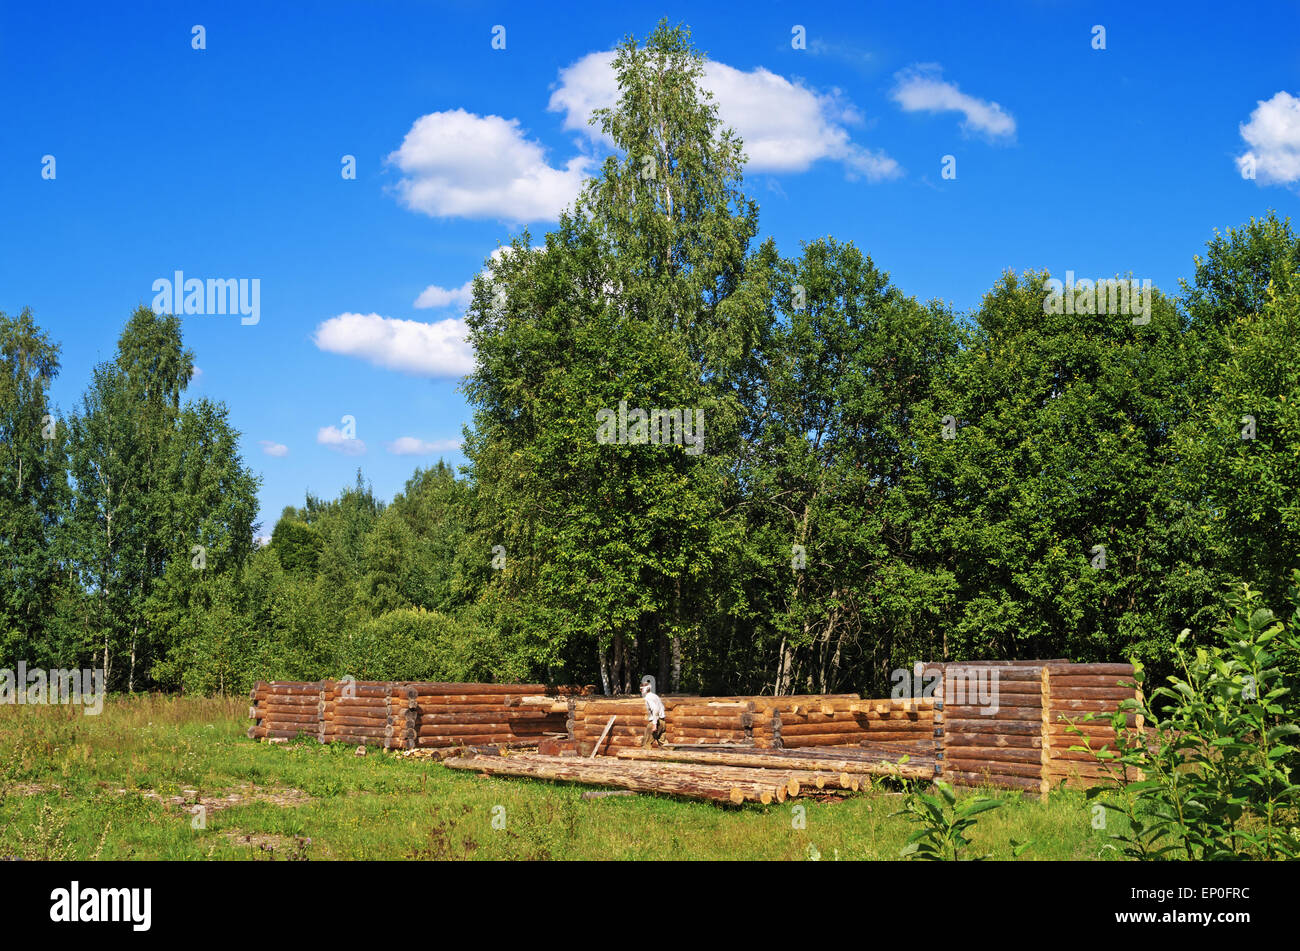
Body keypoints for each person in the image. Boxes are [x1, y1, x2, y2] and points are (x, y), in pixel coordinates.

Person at [640, 674, 666, 747]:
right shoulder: (655, 696)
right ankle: (674, 756)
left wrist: (654, 724)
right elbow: (662, 707)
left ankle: (644, 758)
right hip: (662, 721)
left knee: (646, 743)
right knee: (664, 743)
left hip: (656, 722)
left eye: (641, 689)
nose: (640, 691)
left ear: (644, 689)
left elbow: (655, 709)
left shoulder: (648, 697)